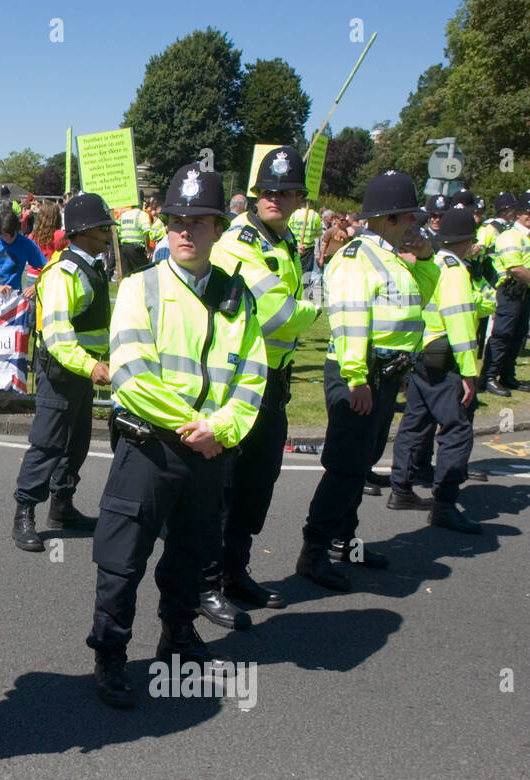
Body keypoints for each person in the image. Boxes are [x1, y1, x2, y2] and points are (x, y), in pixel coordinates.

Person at [88, 164, 267, 708]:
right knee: (121, 558)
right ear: (164, 226)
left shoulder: (238, 297)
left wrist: (223, 428)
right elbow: (132, 376)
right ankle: (111, 653)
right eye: (176, 221)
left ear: (218, 229)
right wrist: (196, 429)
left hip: (210, 448)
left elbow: (252, 374)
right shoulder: (140, 288)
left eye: (199, 222)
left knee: (192, 553)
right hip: (151, 447)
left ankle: (177, 635)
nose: (186, 231)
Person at [298, 171, 438, 591]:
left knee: (361, 463)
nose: (416, 224)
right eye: (410, 216)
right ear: (390, 217)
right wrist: (356, 377)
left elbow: (422, 298)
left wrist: (428, 259)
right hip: (360, 373)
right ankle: (315, 552)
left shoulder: (393, 257)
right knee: (345, 466)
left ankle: (344, 542)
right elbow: (351, 320)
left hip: (382, 374)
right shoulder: (358, 257)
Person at [200, 147, 319, 627]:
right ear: (256, 195)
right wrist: (313, 311)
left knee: (256, 485)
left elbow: (288, 308)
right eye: (268, 190)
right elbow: (279, 316)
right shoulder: (238, 243)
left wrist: (298, 309)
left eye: (286, 191)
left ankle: (235, 571)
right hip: (241, 382)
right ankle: (206, 584)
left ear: (298, 199)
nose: (276, 198)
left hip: (275, 381)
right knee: (223, 489)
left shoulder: (285, 240)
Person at [11, 194, 115, 551]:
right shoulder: (64, 273)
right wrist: (92, 366)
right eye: (103, 227)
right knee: (47, 444)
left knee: (77, 443)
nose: (108, 233)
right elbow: (57, 338)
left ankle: (62, 505)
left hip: (83, 374)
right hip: (63, 373)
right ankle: (25, 512)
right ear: (83, 230)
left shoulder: (92, 266)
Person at [387, 207, 484, 534]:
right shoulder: (455, 270)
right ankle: (445, 502)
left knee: (415, 421)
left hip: (420, 353)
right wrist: (469, 372)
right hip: (445, 357)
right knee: (457, 427)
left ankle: (400, 487)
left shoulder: (432, 262)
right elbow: (459, 320)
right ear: (469, 241)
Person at [482, 190, 530, 396]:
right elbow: (514, 266)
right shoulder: (510, 236)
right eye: (527, 212)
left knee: (517, 335)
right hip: (510, 291)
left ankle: (507, 375)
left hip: (524, 291)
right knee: (502, 334)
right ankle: (489, 376)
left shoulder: (528, 236)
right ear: (517, 213)